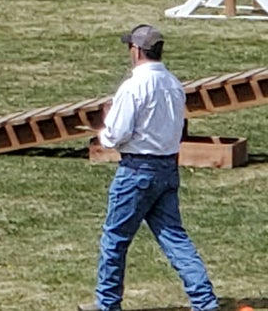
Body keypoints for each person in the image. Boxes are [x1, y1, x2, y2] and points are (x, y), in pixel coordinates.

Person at [80, 24, 219, 311]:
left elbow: (116, 135)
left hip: (136, 170)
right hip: (168, 167)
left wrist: (104, 130)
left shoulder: (133, 87)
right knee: (174, 238)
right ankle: (205, 302)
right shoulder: (173, 84)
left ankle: (107, 304)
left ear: (136, 50)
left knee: (115, 239)